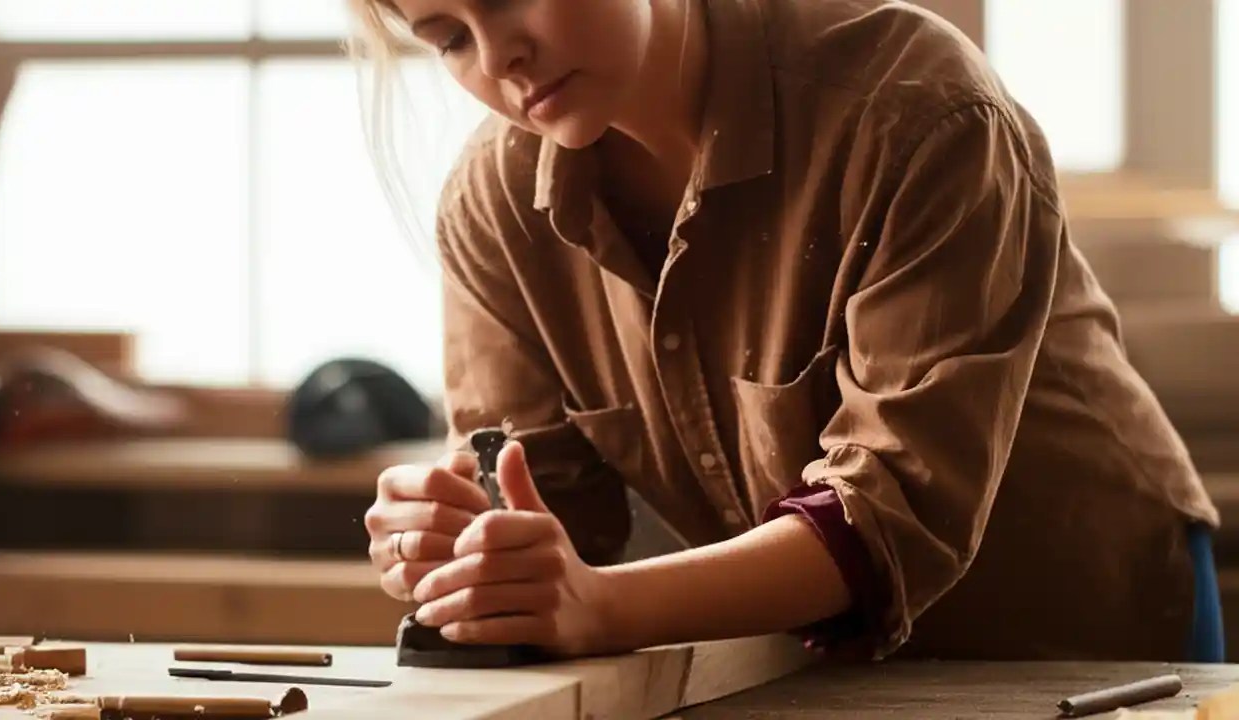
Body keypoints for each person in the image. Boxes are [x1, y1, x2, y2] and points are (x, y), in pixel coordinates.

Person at [354, 0, 1223, 663]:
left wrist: (601, 607)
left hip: (1080, 619)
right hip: (813, 655)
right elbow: (546, 510)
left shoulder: (919, 108)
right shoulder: (493, 206)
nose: (498, 55)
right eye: (448, 37)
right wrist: (465, 547)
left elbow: (887, 507)